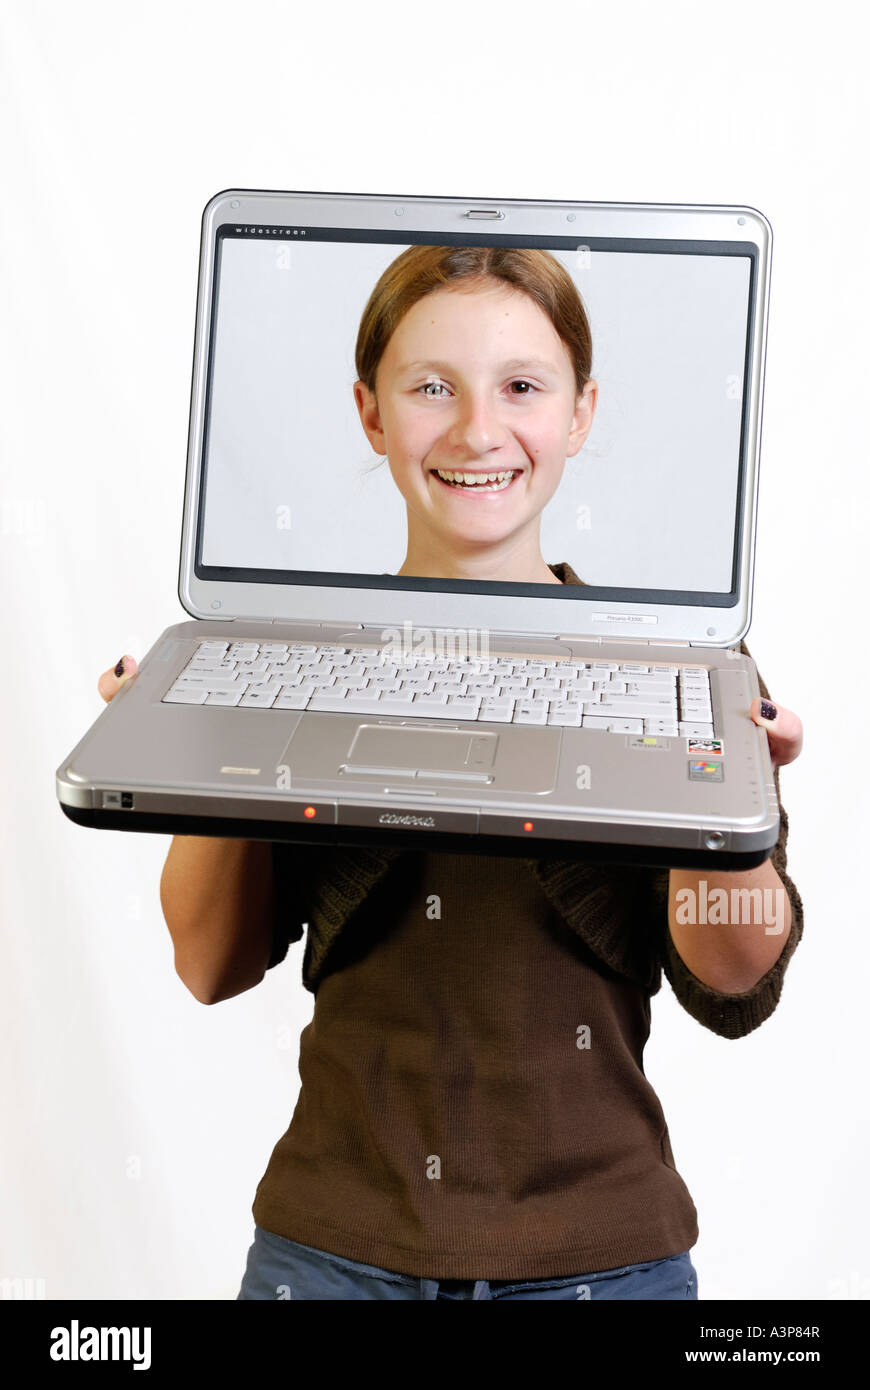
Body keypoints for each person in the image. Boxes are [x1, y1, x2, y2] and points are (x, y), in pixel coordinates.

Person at [96, 246, 804, 1301]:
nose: (479, 430)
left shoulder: (679, 672)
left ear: (580, 412)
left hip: (603, 1264)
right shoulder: (297, 658)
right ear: (371, 413)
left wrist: (733, 807)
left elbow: (736, 981)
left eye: (522, 386)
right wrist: (199, 731)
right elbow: (208, 961)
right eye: (432, 386)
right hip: (330, 1254)